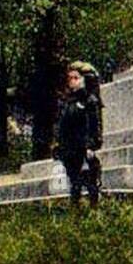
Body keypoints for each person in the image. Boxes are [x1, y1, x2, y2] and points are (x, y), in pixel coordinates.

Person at [56, 61, 103, 208]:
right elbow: (62, 126)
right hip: (70, 149)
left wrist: (90, 146)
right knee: (74, 182)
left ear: (85, 80)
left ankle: (93, 207)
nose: (72, 82)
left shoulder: (90, 101)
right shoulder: (68, 102)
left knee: (90, 182)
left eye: (76, 78)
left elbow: (93, 124)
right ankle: (75, 209)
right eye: (70, 78)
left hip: (83, 147)